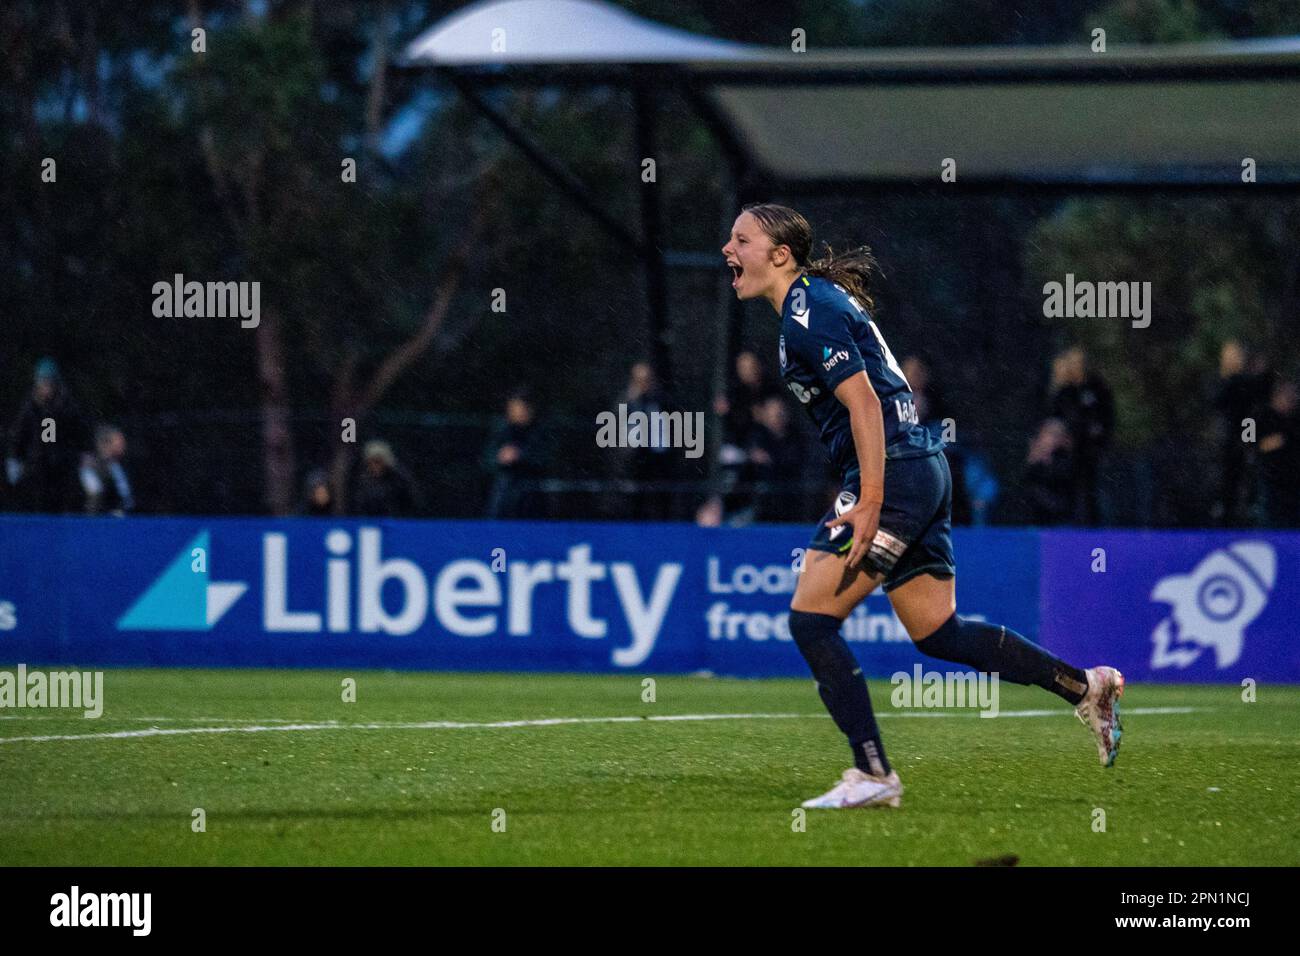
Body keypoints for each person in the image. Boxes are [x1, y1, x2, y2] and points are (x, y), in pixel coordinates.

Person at [721, 203, 1124, 810]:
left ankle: (874, 773)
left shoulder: (808, 311)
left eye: (740, 239)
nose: (728, 249)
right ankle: (1085, 686)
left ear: (780, 254)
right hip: (921, 466)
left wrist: (869, 501)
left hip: (897, 476)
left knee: (811, 619)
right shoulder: (811, 307)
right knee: (938, 632)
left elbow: (863, 407)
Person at [6, 358, 93, 513]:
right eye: (42, 382)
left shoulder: (66, 405)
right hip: (37, 468)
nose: (46, 387)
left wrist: (84, 452)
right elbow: (19, 434)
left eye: (49, 382)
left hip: (63, 466)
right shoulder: (30, 406)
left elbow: (81, 431)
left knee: (62, 503)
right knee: (38, 503)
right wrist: (15, 458)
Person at [1049, 347, 1114, 525]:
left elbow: (1105, 415)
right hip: (1069, 451)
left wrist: (1099, 432)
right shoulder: (1065, 391)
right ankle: (1068, 523)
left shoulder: (1096, 387)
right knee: (1067, 488)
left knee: (1092, 489)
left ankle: (1093, 526)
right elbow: (1058, 418)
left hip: (1092, 450)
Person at [482, 390, 547, 518]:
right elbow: (486, 459)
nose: (518, 412)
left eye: (522, 409)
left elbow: (545, 459)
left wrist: (521, 456)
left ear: (530, 410)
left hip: (532, 491)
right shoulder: (501, 429)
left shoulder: (541, 431)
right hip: (503, 491)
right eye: (514, 408)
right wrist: (499, 457)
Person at [1257, 379, 1299, 528]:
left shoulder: (1295, 418)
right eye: (1288, 395)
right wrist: (1267, 444)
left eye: (1294, 395)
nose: (1292, 399)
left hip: (1294, 482)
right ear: (1277, 395)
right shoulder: (1257, 416)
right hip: (1270, 481)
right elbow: (1245, 443)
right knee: (1271, 520)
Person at [1023, 418, 1076, 526]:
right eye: (1046, 434)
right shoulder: (1033, 459)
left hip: (1060, 520)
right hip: (1033, 520)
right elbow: (1027, 487)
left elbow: (1062, 488)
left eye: (1053, 435)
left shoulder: (1065, 459)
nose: (1046, 439)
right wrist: (1034, 461)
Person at [352, 440, 421, 517]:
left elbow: (413, 501)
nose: (374, 466)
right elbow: (359, 505)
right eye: (371, 462)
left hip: (397, 520)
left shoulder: (399, 479)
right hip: (370, 521)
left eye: (377, 461)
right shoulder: (362, 481)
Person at [81, 425, 135, 515]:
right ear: (105, 444)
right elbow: (94, 495)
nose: (124, 444)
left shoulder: (118, 466)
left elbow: (126, 498)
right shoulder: (87, 466)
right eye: (119, 442)